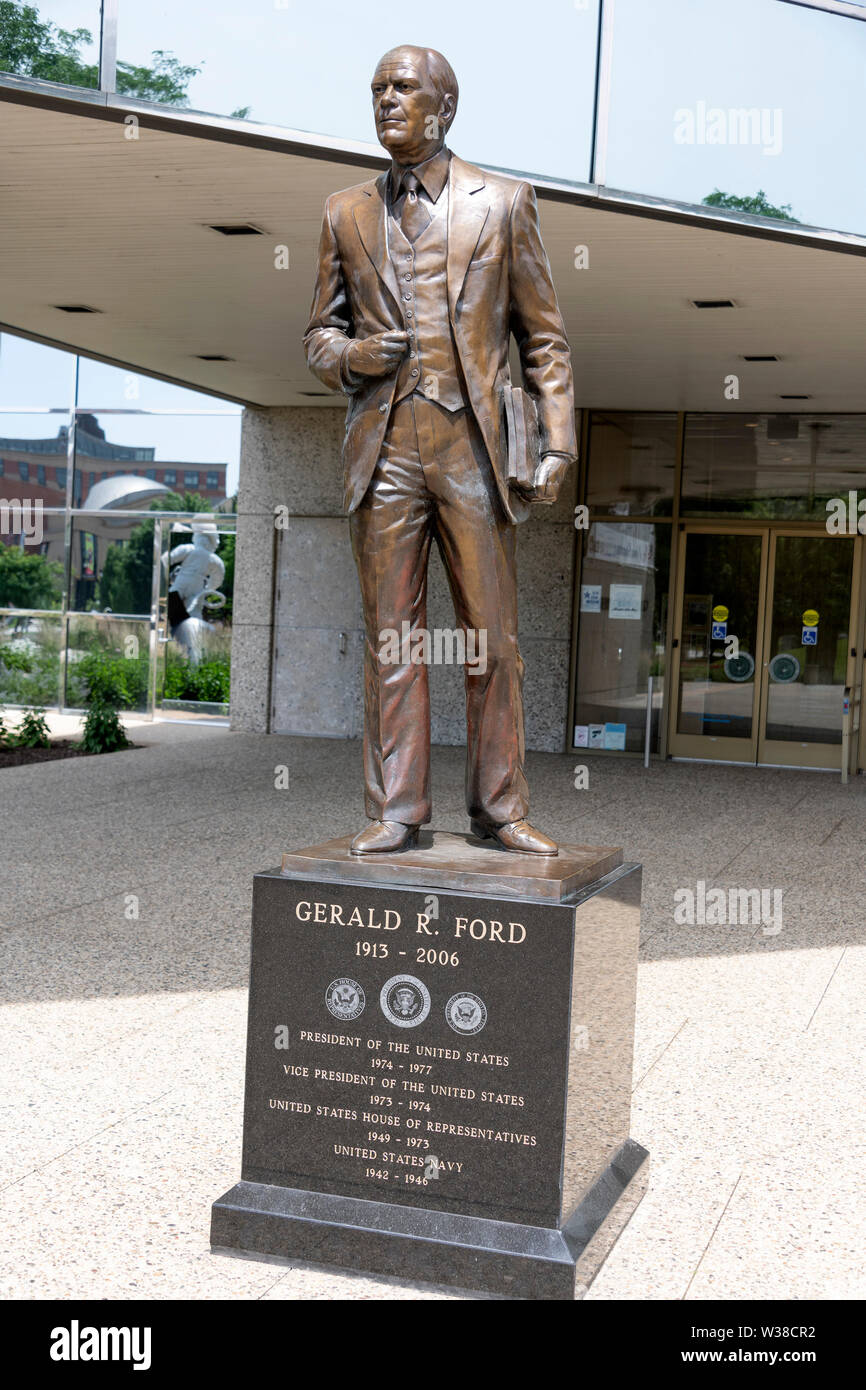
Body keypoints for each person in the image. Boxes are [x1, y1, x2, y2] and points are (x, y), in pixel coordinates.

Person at [304, 44, 576, 855]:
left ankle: (499, 809)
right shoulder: (342, 211)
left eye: (404, 88)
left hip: (472, 449)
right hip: (383, 449)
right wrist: (354, 358)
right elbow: (319, 334)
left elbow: (546, 339)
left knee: (491, 639)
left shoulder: (504, 201)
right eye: (377, 89)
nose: (387, 100)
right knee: (393, 637)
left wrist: (557, 442)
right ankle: (396, 810)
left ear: (444, 107)